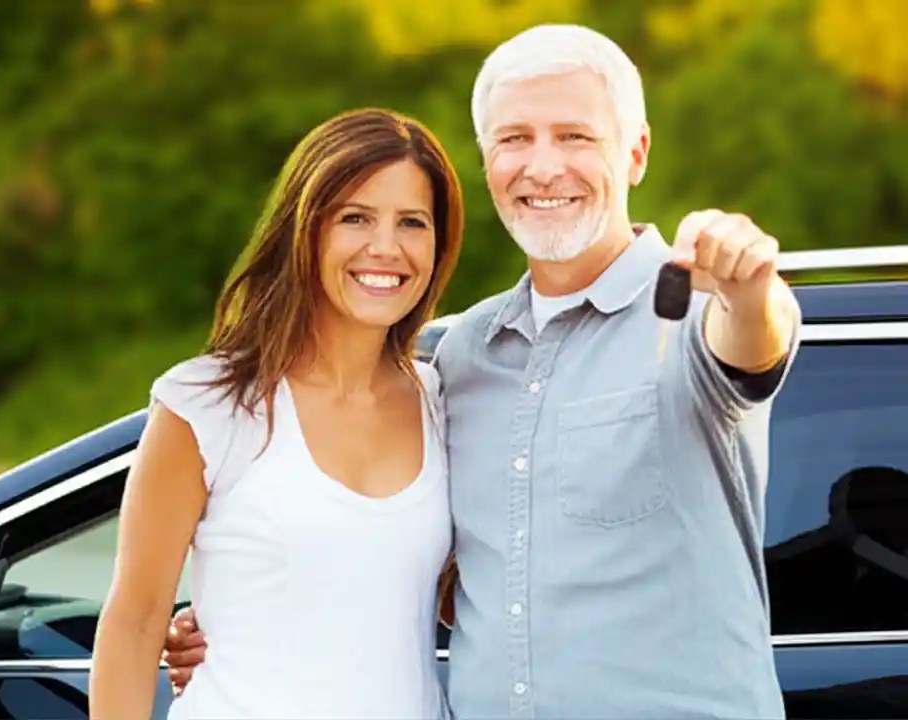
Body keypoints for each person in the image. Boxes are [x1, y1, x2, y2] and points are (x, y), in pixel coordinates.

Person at [164, 24, 803, 720]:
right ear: (487, 161)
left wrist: (748, 284)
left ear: (636, 152)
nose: (543, 166)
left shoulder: (695, 312)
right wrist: (242, 617)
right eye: (515, 139)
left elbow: (753, 341)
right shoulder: (459, 358)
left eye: (575, 136)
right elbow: (405, 559)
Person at [88, 107, 466, 719]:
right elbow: (134, 623)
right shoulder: (207, 405)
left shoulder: (444, 402)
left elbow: (466, 594)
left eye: (412, 223)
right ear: (306, 229)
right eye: (356, 218)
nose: (386, 248)